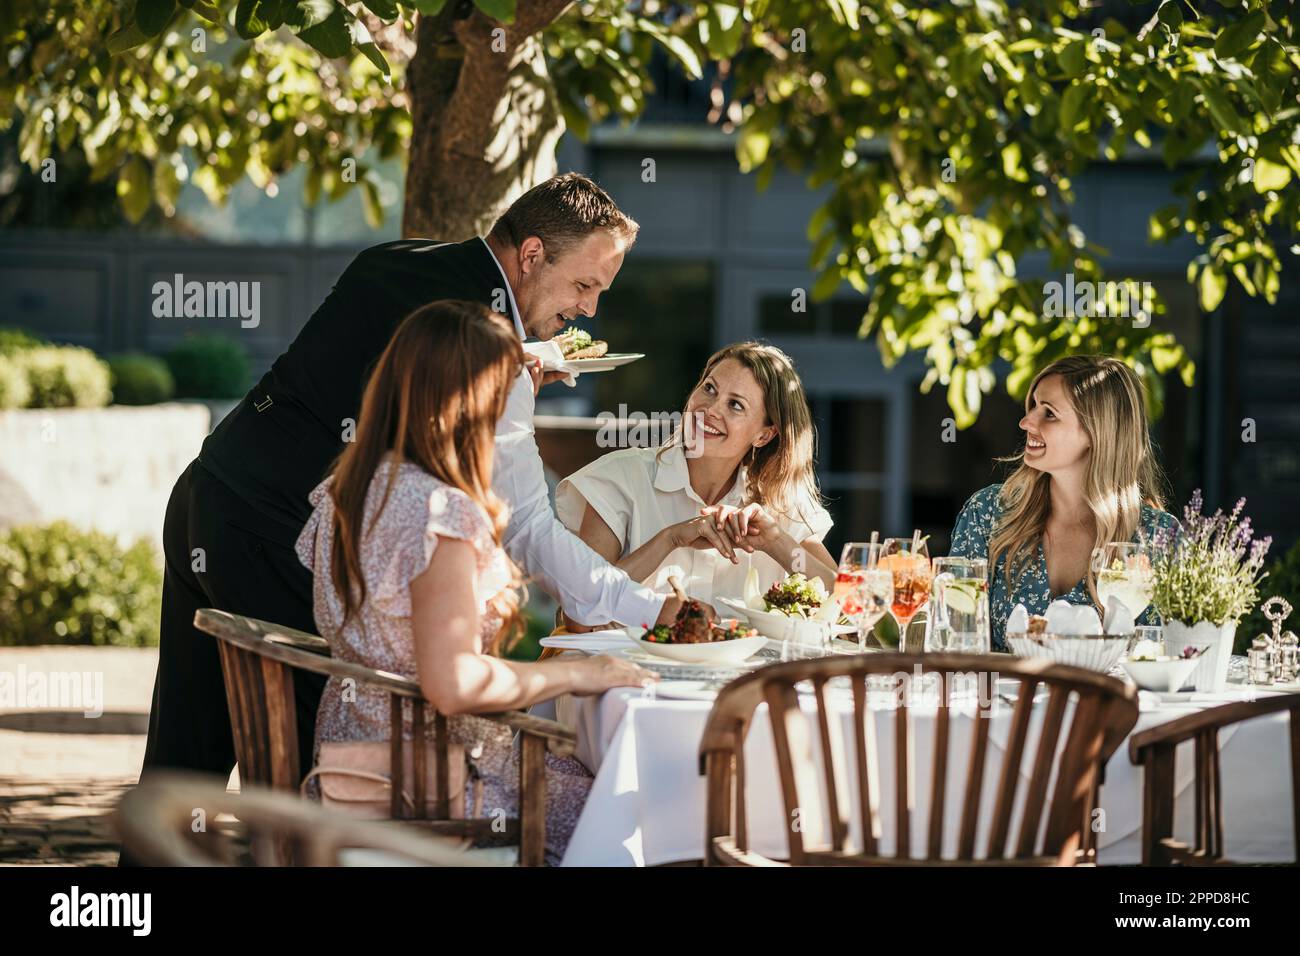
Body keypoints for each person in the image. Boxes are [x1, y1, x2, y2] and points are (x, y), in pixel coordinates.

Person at [140, 173, 692, 799]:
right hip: (274, 533)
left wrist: (510, 362)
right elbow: (529, 527)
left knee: (182, 758)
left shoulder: (403, 259)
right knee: (309, 787)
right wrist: (646, 610)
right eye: (585, 284)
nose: (590, 308)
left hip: (206, 494)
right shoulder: (493, 349)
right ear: (532, 254)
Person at [296, 301, 652, 864]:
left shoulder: (352, 489)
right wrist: (582, 673)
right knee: (634, 815)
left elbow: (409, 651)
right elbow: (454, 684)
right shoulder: (440, 510)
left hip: (354, 756)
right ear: (474, 403)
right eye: (507, 397)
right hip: (428, 785)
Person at [555, 342, 835, 619]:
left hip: (742, 664)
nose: (710, 409)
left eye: (735, 405)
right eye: (709, 388)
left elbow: (850, 610)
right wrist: (671, 539)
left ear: (764, 435)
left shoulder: (780, 503)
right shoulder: (620, 478)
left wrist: (774, 541)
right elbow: (579, 611)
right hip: (625, 663)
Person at [949, 355, 1179, 650]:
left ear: (1096, 433)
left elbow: (1173, 654)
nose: (1026, 421)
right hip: (1001, 697)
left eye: (1049, 414)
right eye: (1033, 406)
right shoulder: (988, 513)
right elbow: (954, 636)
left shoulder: (1158, 538)